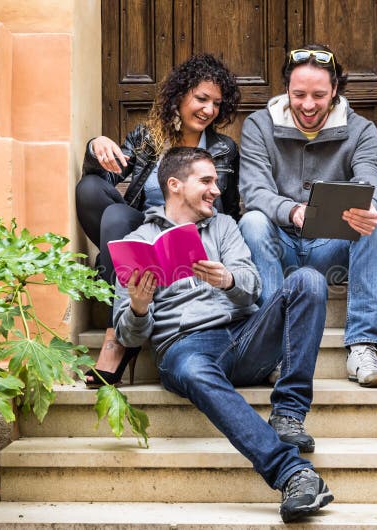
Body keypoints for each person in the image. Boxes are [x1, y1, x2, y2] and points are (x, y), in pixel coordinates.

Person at [113, 147, 333, 522]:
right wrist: (138, 306)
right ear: (175, 185)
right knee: (196, 371)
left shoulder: (225, 226)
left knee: (308, 281)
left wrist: (228, 280)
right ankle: (292, 473)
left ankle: (288, 413)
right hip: (184, 349)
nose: (217, 189)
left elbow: (252, 287)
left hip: (241, 335)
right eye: (207, 181)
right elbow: (129, 336)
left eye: (216, 181)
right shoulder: (137, 242)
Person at [76, 54, 241, 387]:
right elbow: (109, 177)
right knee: (95, 194)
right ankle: (120, 322)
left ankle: (118, 341)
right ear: (180, 95)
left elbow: (229, 209)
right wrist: (96, 148)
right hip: (143, 230)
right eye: (201, 99)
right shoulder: (148, 137)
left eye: (216, 104)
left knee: (115, 226)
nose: (209, 110)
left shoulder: (224, 149)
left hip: (191, 239)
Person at [237, 44, 377, 388]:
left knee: (374, 224)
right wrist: (292, 211)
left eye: (319, 95)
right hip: (277, 248)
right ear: (286, 89)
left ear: (335, 90)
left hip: (330, 250)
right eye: (299, 94)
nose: (308, 105)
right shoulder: (259, 126)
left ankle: (362, 347)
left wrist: (372, 207)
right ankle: (273, 348)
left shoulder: (361, 129)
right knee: (252, 220)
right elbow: (253, 190)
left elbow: (370, 177)